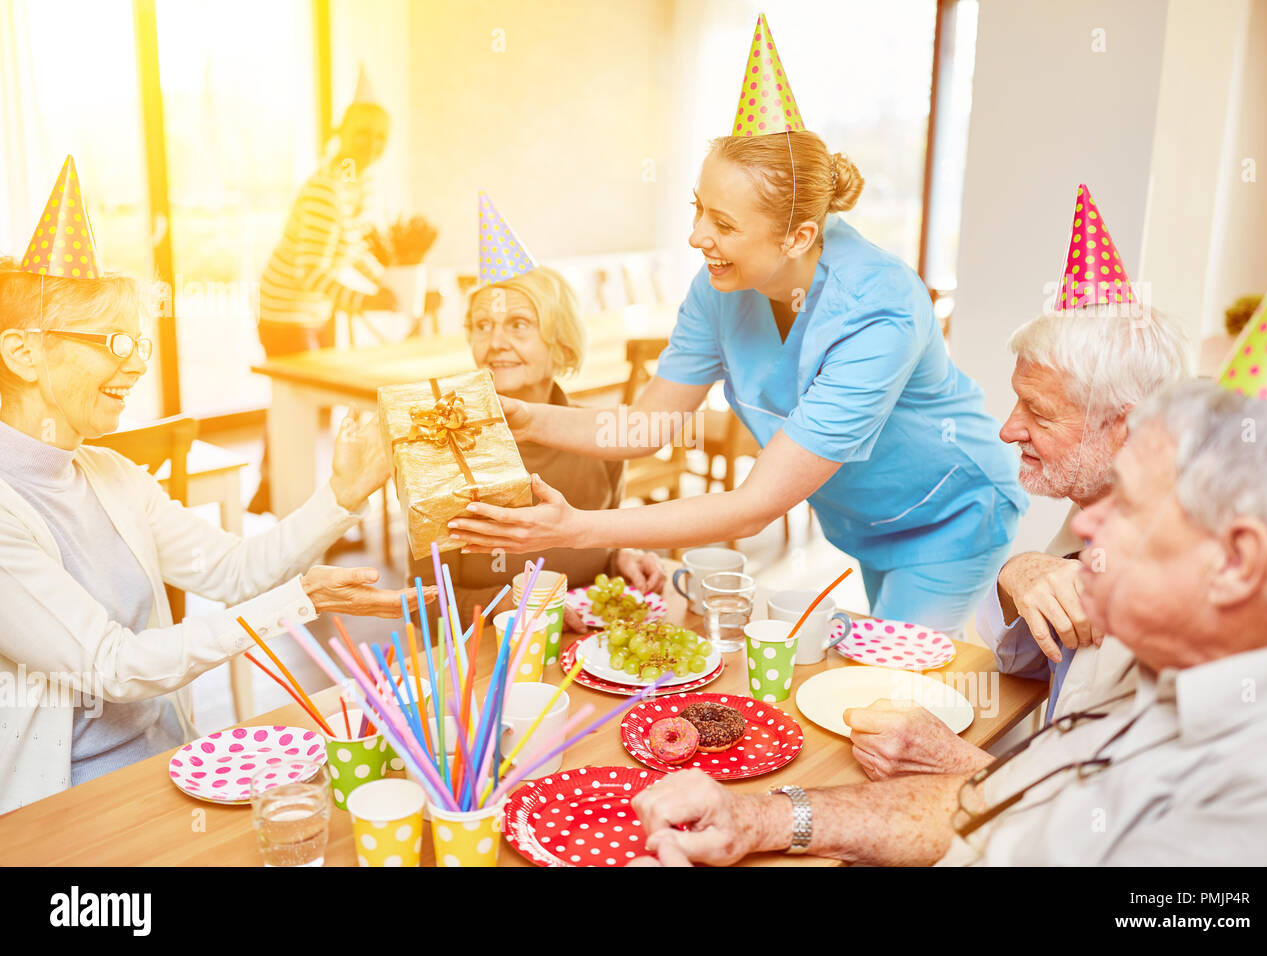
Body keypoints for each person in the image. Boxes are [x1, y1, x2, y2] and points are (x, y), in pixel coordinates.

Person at [442, 18, 1025, 635]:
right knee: (879, 677)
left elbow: (752, 509)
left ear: (799, 235)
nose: (697, 237)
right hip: (862, 518)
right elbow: (648, 425)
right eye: (698, 209)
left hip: (947, 517)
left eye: (722, 223)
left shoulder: (880, 310)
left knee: (895, 693)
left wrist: (580, 528)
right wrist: (531, 419)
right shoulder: (720, 288)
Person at [630, 368, 1267, 866]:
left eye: (1125, 504)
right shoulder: (1166, 680)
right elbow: (985, 800)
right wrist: (765, 819)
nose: (1089, 523)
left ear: (1238, 559)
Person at [0, 158, 429, 814]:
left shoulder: (109, 474)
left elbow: (231, 572)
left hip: (171, 764)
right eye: (115, 341)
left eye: (139, 345)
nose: (133, 366)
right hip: (70, 809)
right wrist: (294, 604)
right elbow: (110, 665)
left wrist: (341, 495)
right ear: (24, 353)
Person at [850, 300, 1190, 779]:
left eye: (1039, 412)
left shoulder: (1183, 599)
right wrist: (1020, 573)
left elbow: (1108, 820)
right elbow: (1024, 660)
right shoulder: (1102, 498)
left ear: (1126, 428)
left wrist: (956, 763)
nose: (1009, 430)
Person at [409, 196, 663, 629]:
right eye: (483, 326)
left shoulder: (602, 437)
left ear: (560, 344)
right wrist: (510, 604)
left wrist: (621, 558)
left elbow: (597, 544)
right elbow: (423, 606)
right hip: (491, 666)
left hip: (589, 656)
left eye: (518, 325)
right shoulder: (440, 454)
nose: (496, 343)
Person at [249, 69, 396, 514]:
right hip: (285, 310)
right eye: (362, 134)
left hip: (315, 309)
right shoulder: (325, 191)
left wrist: (387, 280)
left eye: (379, 137)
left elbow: (348, 248)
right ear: (341, 134)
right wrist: (367, 299)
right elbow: (310, 270)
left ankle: (288, 497)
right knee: (297, 402)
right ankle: (282, 499)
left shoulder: (359, 184)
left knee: (316, 407)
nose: (371, 145)